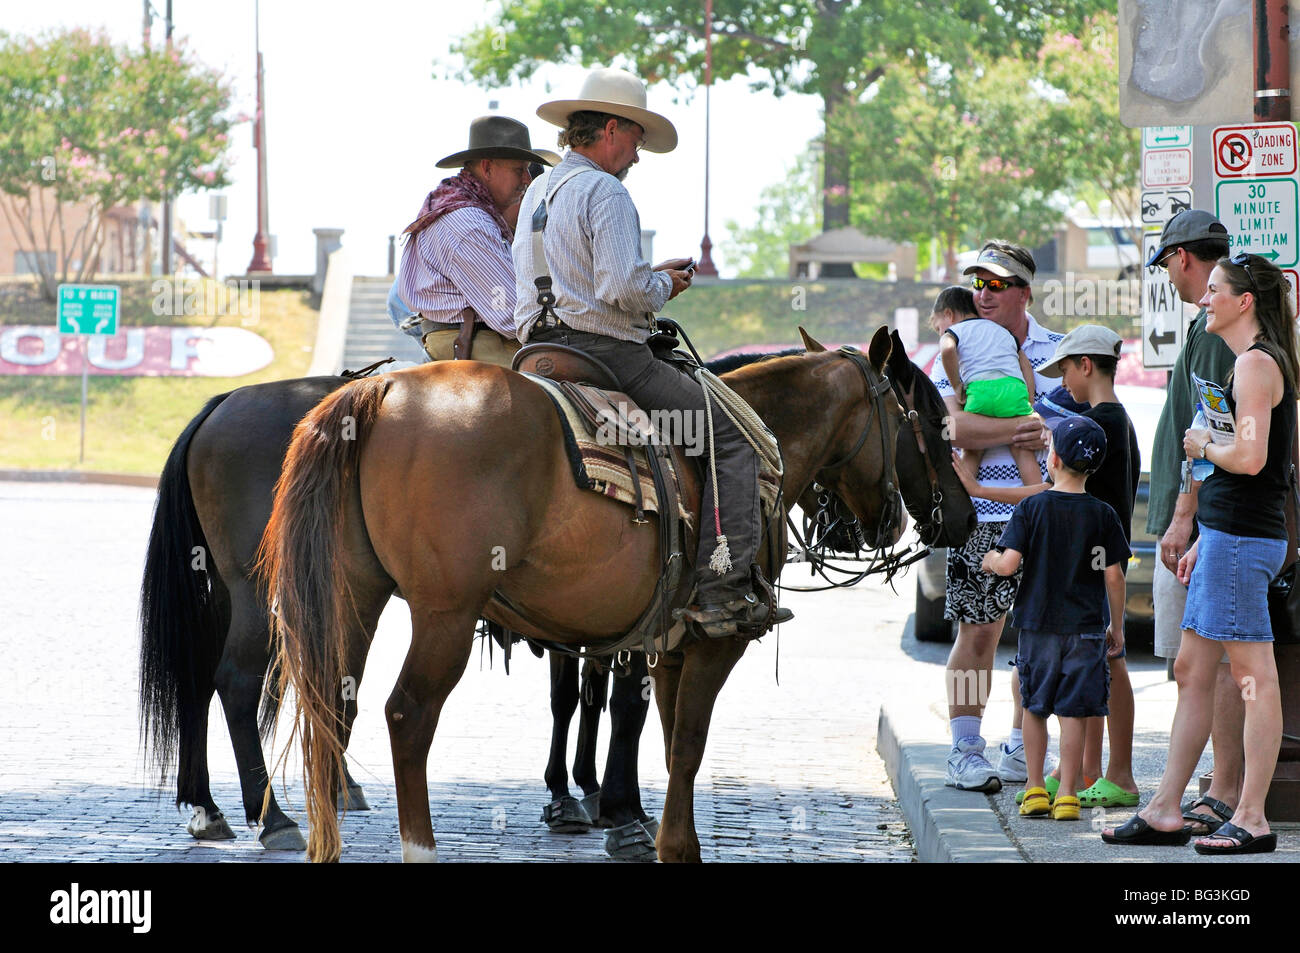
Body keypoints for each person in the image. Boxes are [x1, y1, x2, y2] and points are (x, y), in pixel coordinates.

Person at [513, 66, 790, 637]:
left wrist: (645, 275)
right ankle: (722, 590)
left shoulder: (538, 188)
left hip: (537, 352)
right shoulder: (607, 191)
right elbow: (620, 290)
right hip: (605, 353)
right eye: (637, 138)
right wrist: (665, 285)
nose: (638, 154)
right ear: (612, 128)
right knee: (730, 442)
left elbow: (587, 277)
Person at [1103, 253, 1298, 854]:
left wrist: (1203, 443)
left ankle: (1252, 817)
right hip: (1227, 536)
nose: (1203, 298)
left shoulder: (1257, 366)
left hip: (1242, 537)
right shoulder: (1250, 363)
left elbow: (1252, 458)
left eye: (1214, 290)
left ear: (1244, 301)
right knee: (1192, 671)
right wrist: (1205, 535)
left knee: (1252, 678)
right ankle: (1164, 809)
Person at [932, 241, 1061, 792]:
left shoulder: (1057, 352)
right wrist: (1017, 427)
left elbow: (1071, 429)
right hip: (979, 516)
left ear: (1025, 293)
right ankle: (965, 749)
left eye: (997, 285)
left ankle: (1020, 747)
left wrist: (1034, 427)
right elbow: (950, 429)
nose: (983, 294)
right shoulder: (955, 339)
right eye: (978, 283)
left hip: (1048, 515)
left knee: (1040, 635)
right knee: (979, 632)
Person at [1141, 210, 1242, 833]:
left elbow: (1208, 433)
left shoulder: (1213, 326)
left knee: (1217, 665)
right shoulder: (1215, 326)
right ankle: (1204, 790)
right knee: (1200, 667)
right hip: (1208, 524)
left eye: (1168, 266)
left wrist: (1184, 518)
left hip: (1207, 525)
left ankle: (1222, 789)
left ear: (1182, 257)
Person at [982, 415, 1129, 821]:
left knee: (1034, 707)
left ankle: (1034, 789)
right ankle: (1066, 794)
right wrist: (1115, 626)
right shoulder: (1103, 514)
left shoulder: (1032, 507)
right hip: (1085, 630)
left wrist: (991, 560)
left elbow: (1010, 564)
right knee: (1075, 711)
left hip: (1038, 627)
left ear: (1055, 460)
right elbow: (1113, 575)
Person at [1038, 325, 1141, 808]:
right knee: (1096, 665)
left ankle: (1119, 775)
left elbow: (1066, 493)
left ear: (1084, 364)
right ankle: (1085, 770)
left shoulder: (1101, 423)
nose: (1064, 381)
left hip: (1098, 562)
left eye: (1065, 369)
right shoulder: (1111, 419)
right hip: (1099, 560)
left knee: (1111, 661)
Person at [396, 115, 555, 367]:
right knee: (569, 381)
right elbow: (510, 315)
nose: (527, 179)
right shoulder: (470, 224)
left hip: (466, 335)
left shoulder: (459, 208)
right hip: (477, 342)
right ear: (487, 167)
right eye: (519, 170)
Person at [937, 290, 1042, 488]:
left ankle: (960, 497)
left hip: (980, 392)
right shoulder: (1001, 330)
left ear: (949, 316)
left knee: (971, 450)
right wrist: (1029, 400)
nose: (939, 331)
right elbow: (1024, 364)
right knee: (1022, 449)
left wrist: (957, 385)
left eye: (937, 327)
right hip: (1013, 391)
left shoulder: (954, 332)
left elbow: (947, 350)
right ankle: (1038, 497)